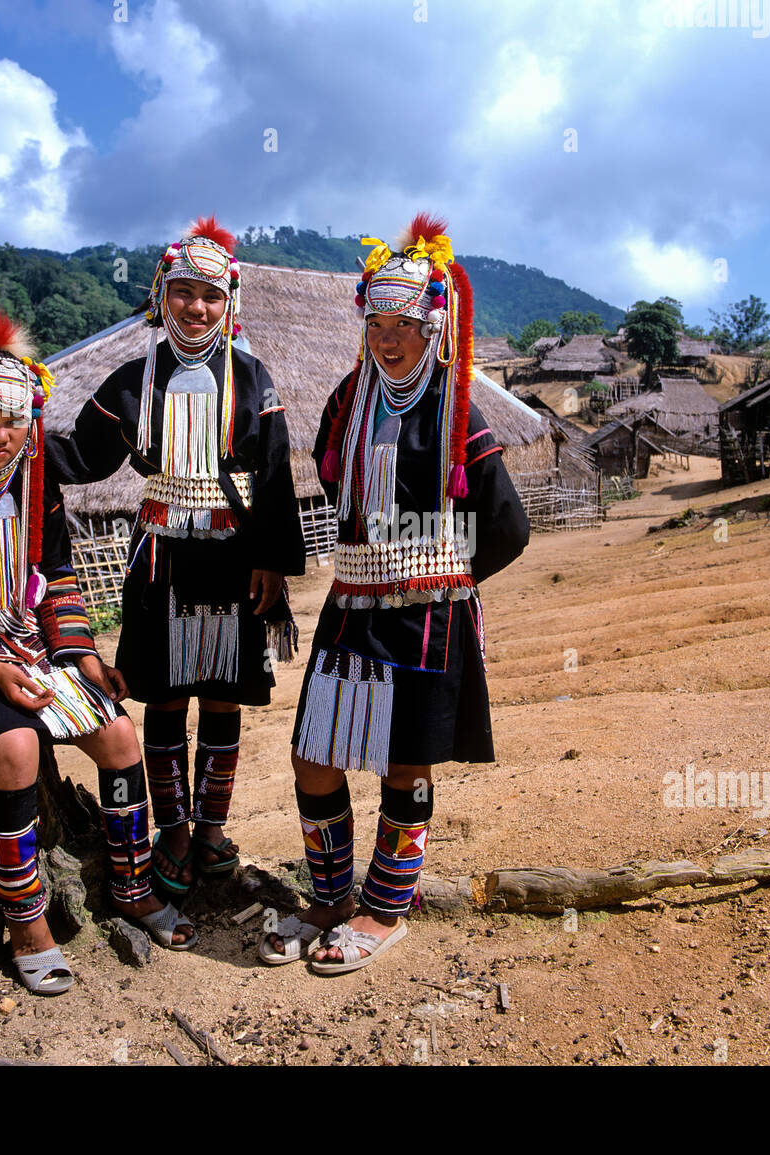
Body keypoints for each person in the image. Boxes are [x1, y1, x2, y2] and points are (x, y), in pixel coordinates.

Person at [0, 314, 195, 997]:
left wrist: (81, 658)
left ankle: (132, 886)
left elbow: (54, 580)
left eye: (16, 421)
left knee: (117, 731)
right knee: (16, 748)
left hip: (23, 639)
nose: (3, 436)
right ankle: (28, 924)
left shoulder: (34, 488)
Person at [263, 214, 529, 973]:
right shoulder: (350, 400)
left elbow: (506, 526)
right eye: (375, 320)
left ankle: (386, 907)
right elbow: (327, 469)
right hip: (350, 605)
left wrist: (441, 568)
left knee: (405, 762)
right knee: (316, 753)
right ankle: (328, 897)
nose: (388, 337)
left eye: (403, 324)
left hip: (427, 617)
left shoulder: (455, 407)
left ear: (430, 324)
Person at [46, 217, 305, 899]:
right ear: (162, 295)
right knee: (162, 696)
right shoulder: (133, 382)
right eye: (184, 292)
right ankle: (174, 831)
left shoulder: (255, 379)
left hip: (235, 556)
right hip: (161, 558)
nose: (196, 306)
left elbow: (275, 475)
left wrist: (273, 560)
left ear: (231, 303)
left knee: (222, 695)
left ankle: (213, 829)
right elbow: (81, 456)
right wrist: (12, 436)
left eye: (211, 295)